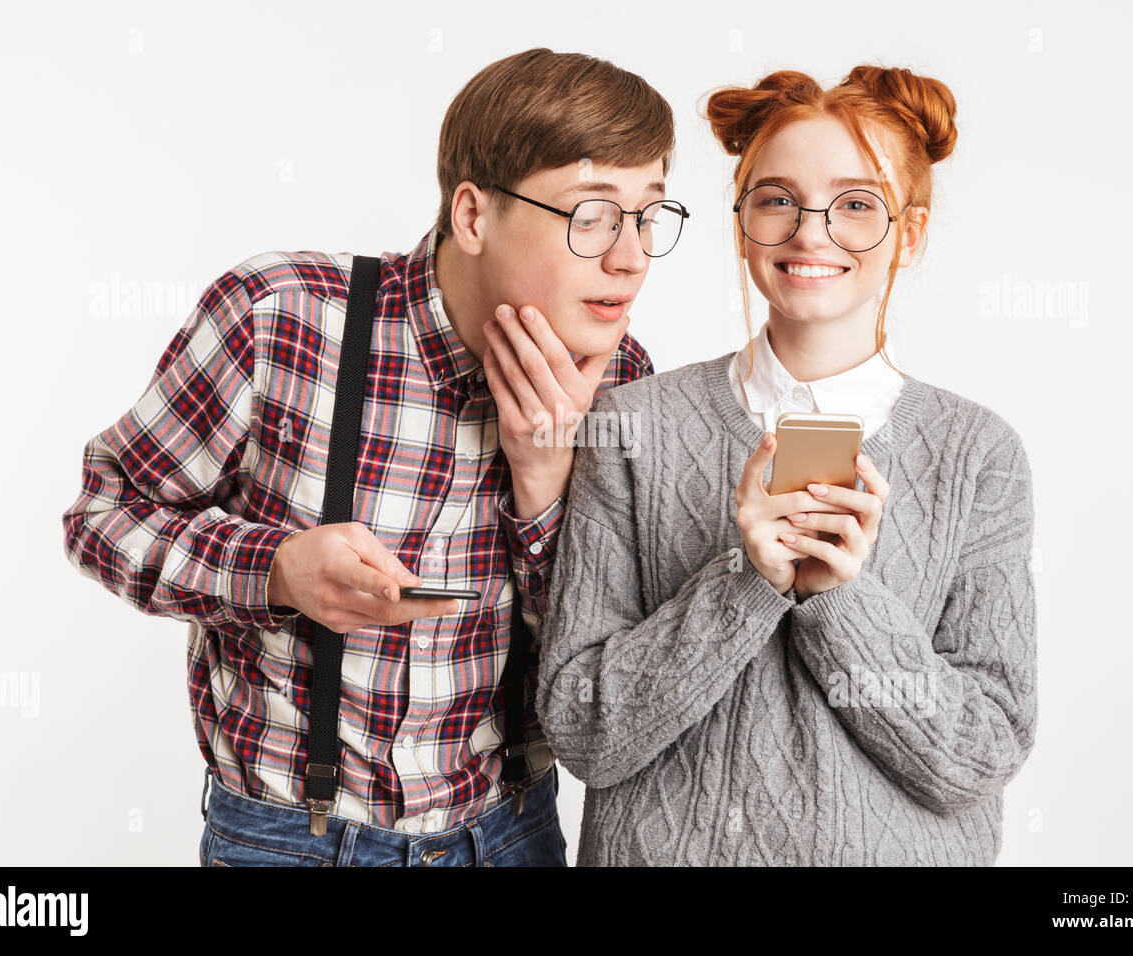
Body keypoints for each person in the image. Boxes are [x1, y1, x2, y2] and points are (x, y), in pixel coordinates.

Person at [61, 47, 691, 867]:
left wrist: (542, 485)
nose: (632, 256)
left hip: (509, 836)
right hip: (291, 838)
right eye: (593, 214)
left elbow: (600, 677)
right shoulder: (284, 318)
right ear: (472, 215)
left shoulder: (626, 384)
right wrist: (277, 571)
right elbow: (103, 516)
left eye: (649, 215)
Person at [535, 65, 1037, 866]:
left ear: (909, 234)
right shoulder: (633, 425)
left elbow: (978, 756)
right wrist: (744, 580)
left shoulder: (978, 455)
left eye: (856, 204)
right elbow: (582, 730)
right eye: (777, 200)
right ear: (742, 226)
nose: (811, 232)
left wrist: (842, 601)